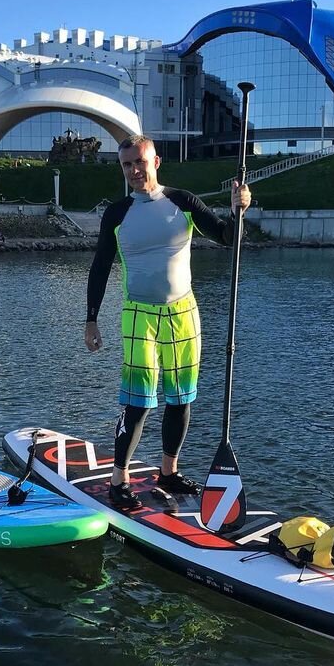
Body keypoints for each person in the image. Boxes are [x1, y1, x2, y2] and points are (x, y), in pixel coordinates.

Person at [85, 134, 252, 510]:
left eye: (139, 162)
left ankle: (168, 472)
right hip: (139, 314)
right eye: (126, 165)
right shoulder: (117, 213)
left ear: (155, 162)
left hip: (183, 312)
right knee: (138, 401)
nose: (133, 171)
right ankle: (119, 478)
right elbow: (99, 269)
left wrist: (239, 210)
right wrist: (91, 319)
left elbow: (228, 238)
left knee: (181, 397)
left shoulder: (183, 202)